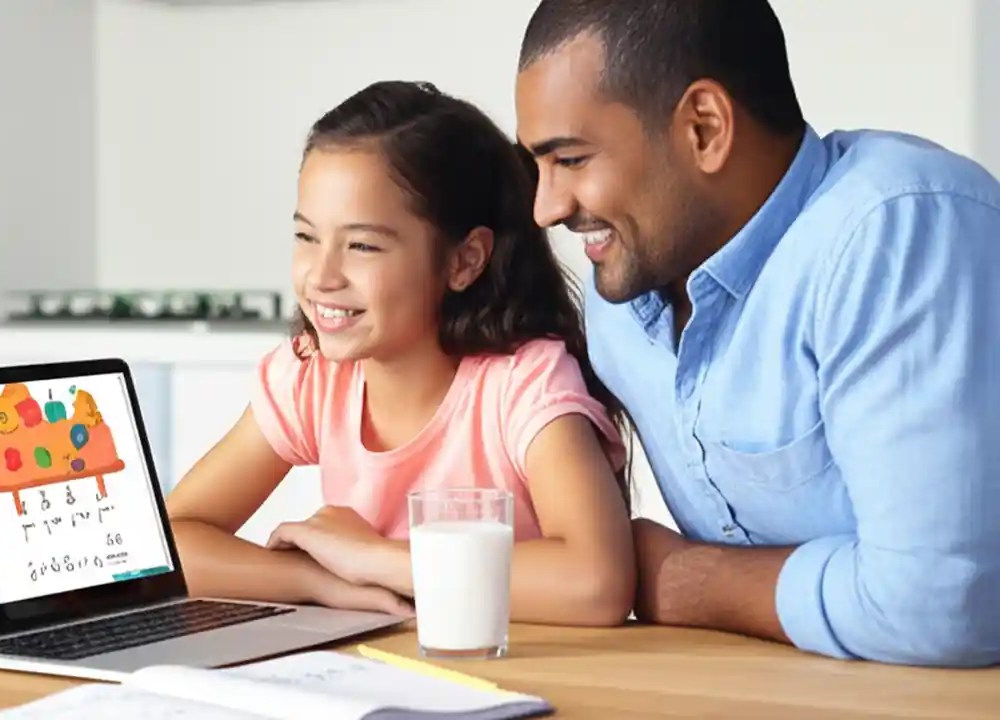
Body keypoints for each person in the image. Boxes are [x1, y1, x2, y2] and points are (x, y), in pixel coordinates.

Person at [514, 0, 1000, 666]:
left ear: (705, 128)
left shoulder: (893, 231)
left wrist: (689, 580)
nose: (546, 208)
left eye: (569, 159)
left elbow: (944, 605)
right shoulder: (620, 299)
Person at [166, 80, 636, 626]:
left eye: (362, 245)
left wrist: (377, 559)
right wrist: (320, 580)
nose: (321, 276)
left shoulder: (524, 384)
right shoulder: (313, 377)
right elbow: (167, 547)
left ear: (465, 260)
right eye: (306, 237)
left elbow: (597, 583)